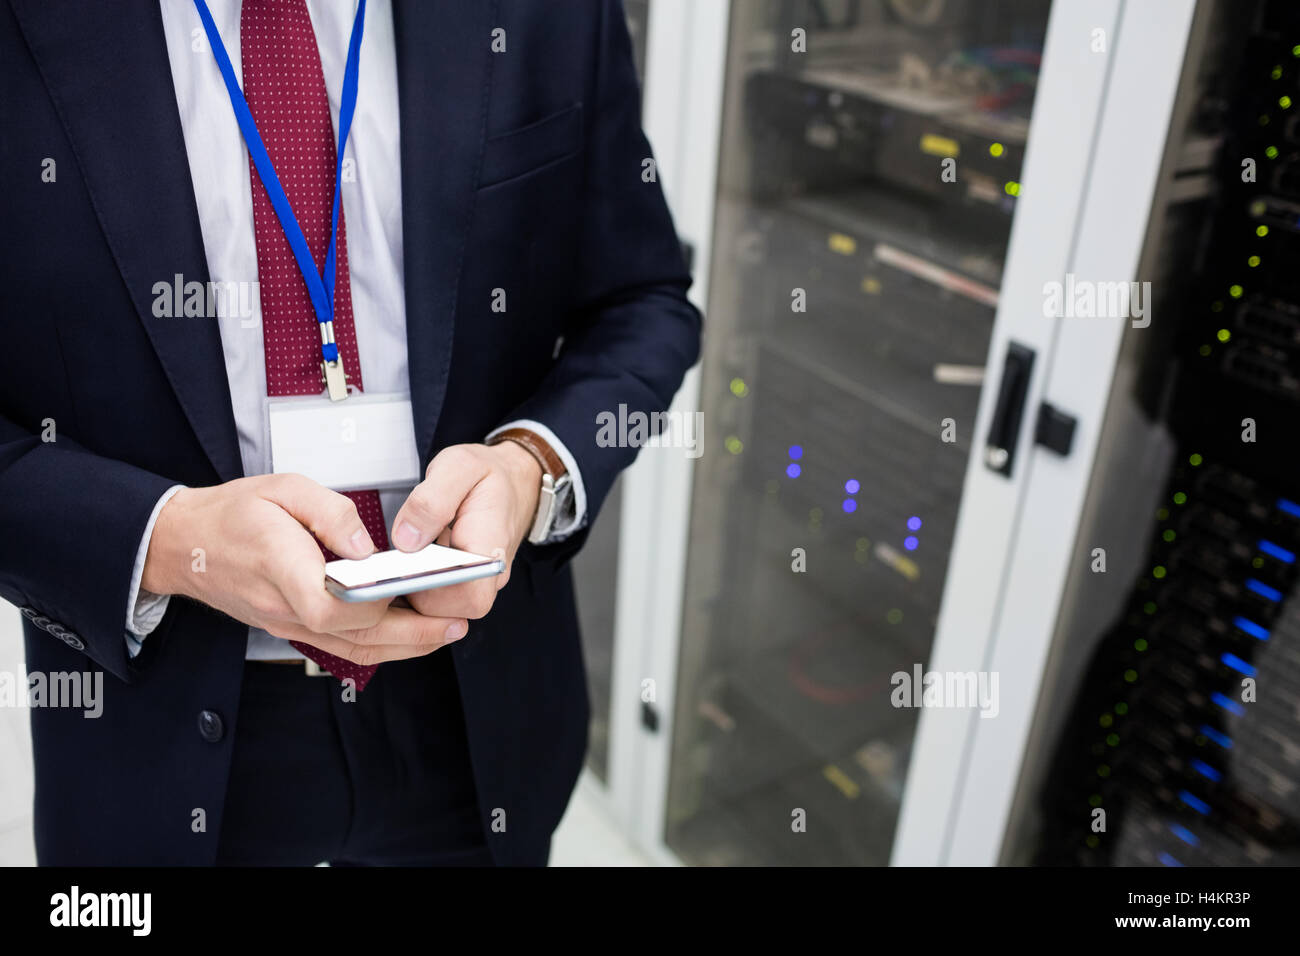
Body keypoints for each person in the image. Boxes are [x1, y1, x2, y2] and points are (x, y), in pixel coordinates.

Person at [0, 0, 699, 866]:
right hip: (157, 727)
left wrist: (533, 465)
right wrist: (171, 541)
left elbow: (643, 300)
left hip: (475, 713)